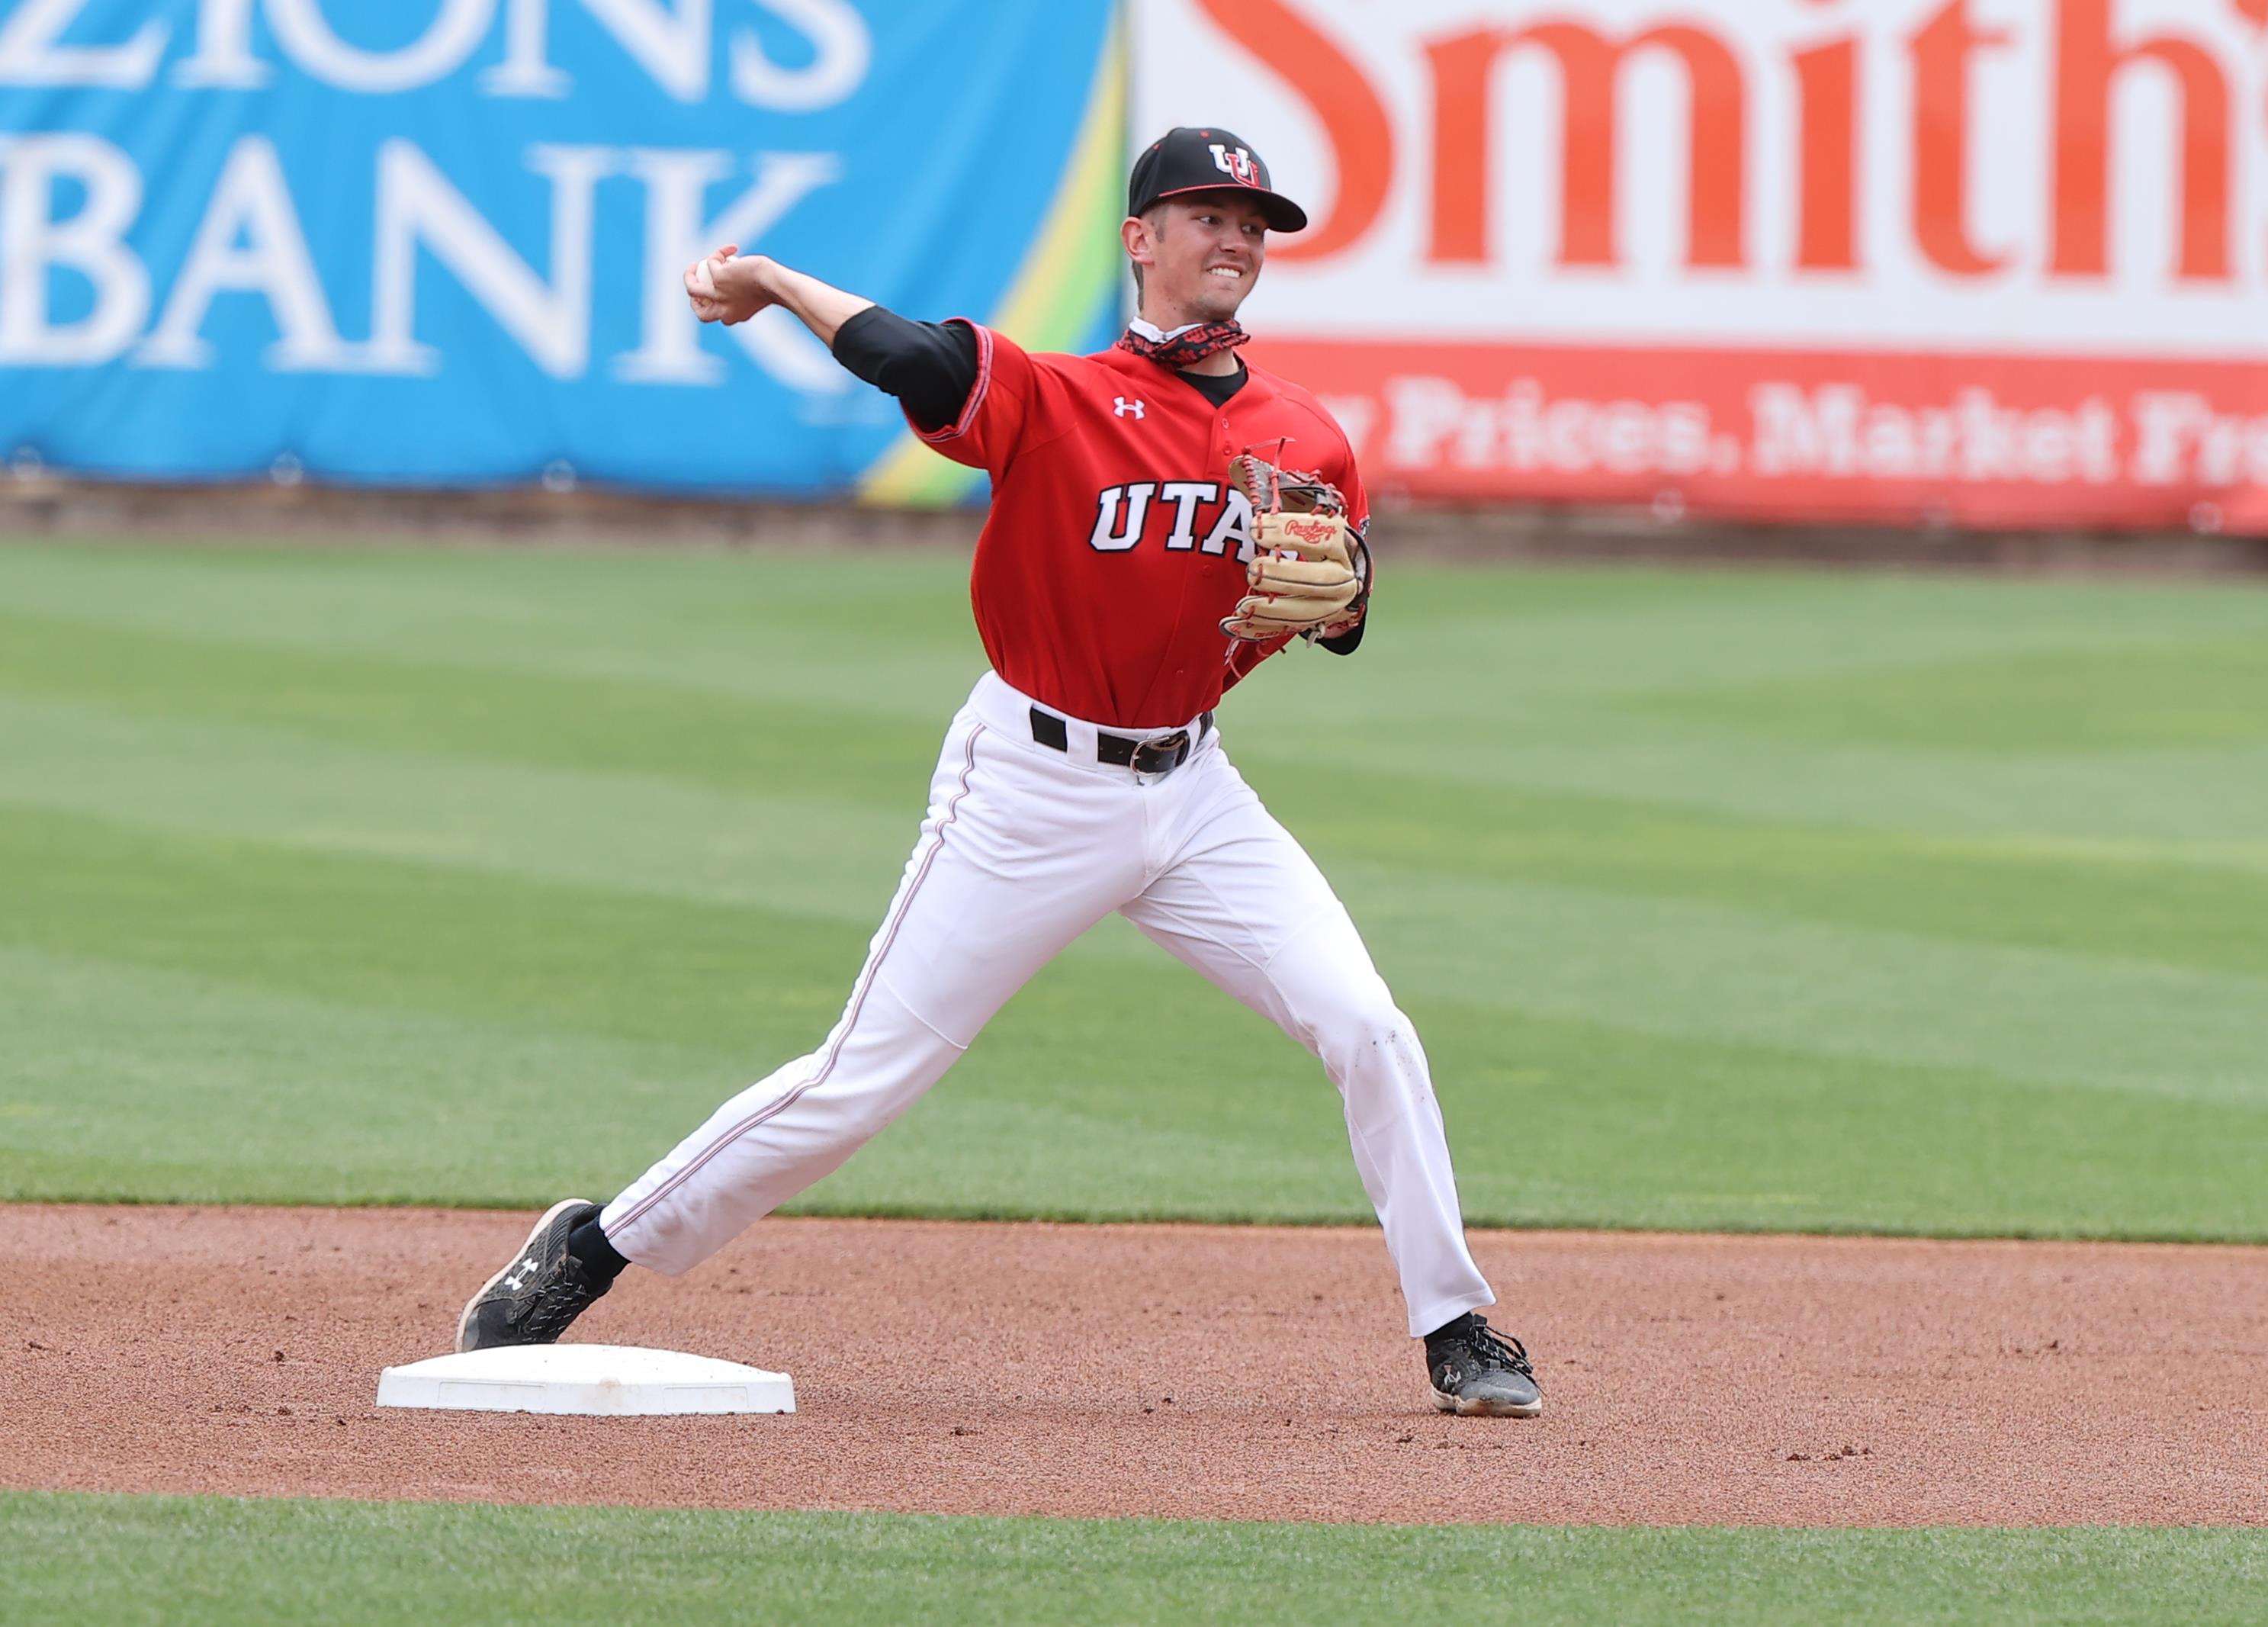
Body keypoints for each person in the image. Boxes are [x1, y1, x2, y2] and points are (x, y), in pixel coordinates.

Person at [455, 127, 1542, 1417]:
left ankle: (1456, 1322)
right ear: (1140, 239)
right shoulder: (1055, 395)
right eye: (1208, 215)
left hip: (1196, 791)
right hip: (1031, 786)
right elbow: (912, 359)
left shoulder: (1303, 432)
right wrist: (779, 282)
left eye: (1254, 223)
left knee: (1366, 1025)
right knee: (860, 1082)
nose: (1237, 239)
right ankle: (592, 1246)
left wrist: (1344, 589)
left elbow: (1343, 619)